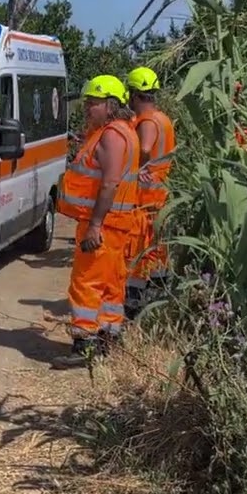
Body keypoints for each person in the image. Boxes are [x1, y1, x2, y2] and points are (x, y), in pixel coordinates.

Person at [52, 75, 141, 369]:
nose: (88, 107)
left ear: (111, 105)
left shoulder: (112, 135)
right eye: (88, 102)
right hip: (116, 224)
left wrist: (94, 226)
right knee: (111, 285)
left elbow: (109, 183)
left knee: (86, 282)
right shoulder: (121, 131)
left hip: (103, 224)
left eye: (94, 103)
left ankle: (85, 344)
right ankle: (107, 339)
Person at [124, 66, 177, 315]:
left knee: (139, 252)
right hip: (161, 196)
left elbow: (144, 148)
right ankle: (158, 299)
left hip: (145, 199)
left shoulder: (147, 121)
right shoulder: (164, 119)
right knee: (157, 251)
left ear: (134, 94)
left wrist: (130, 163)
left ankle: (134, 303)